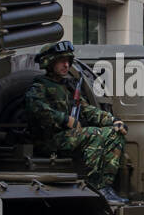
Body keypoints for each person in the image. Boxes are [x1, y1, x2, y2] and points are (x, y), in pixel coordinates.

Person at [24, 41, 128, 202]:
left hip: (66, 138)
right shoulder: (40, 86)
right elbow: (36, 108)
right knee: (95, 134)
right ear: (50, 62)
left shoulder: (69, 88)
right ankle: (95, 185)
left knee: (115, 134)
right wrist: (65, 119)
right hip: (48, 141)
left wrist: (114, 121)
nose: (66, 65)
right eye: (61, 61)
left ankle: (104, 186)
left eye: (68, 61)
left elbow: (88, 110)